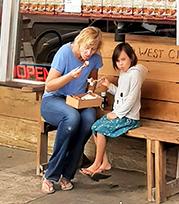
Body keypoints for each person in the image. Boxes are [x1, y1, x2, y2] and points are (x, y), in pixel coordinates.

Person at [40, 26, 103, 193]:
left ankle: (67, 174)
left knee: (89, 120)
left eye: (93, 49)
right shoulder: (64, 52)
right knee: (72, 118)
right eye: (87, 47)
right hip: (54, 99)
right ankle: (50, 175)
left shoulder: (95, 58)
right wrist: (69, 76)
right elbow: (49, 85)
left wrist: (91, 92)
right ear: (79, 42)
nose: (89, 52)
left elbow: (92, 80)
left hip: (78, 100)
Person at [81, 42, 147, 178]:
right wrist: (109, 86)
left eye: (123, 59)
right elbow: (122, 95)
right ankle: (105, 163)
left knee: (101, 130)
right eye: (117, 61)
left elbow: (131, 99)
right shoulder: (124, 73)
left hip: (129, 118)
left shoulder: (135, 74)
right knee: (95, 127)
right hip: (120, 114)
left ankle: (96, 163)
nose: (120, 64)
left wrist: (117, 114)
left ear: (131, 57)